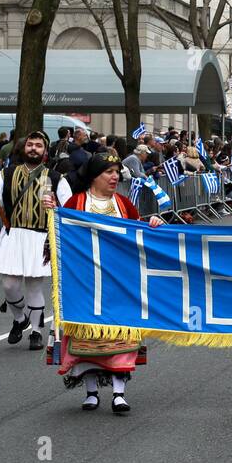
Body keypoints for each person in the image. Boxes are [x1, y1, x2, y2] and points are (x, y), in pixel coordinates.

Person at [43, 152, 164, 413]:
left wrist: (153, 224)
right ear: (94, 176)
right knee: (88, 335)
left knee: (121, 333)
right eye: (109, 172)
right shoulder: (77, 202)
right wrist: (53, 216)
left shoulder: (123, 204)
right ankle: (91, 391)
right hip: (86, 283)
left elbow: (138, 231)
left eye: (116, 171)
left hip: (119, 282)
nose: (115, 176)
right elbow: (61, 238)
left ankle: (119, 393)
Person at [0, 132, 58, 350]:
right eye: (30, 144)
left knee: (34, 286)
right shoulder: (6, 174)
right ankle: (20, 319)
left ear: (45, 151)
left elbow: (67, 210)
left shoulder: (56, 178)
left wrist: (56, 207)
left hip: (41, 238)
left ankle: (37, 332)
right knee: (9, 285)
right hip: (14, 234)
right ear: (23, 148)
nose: (33, 148)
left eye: (38, 145)